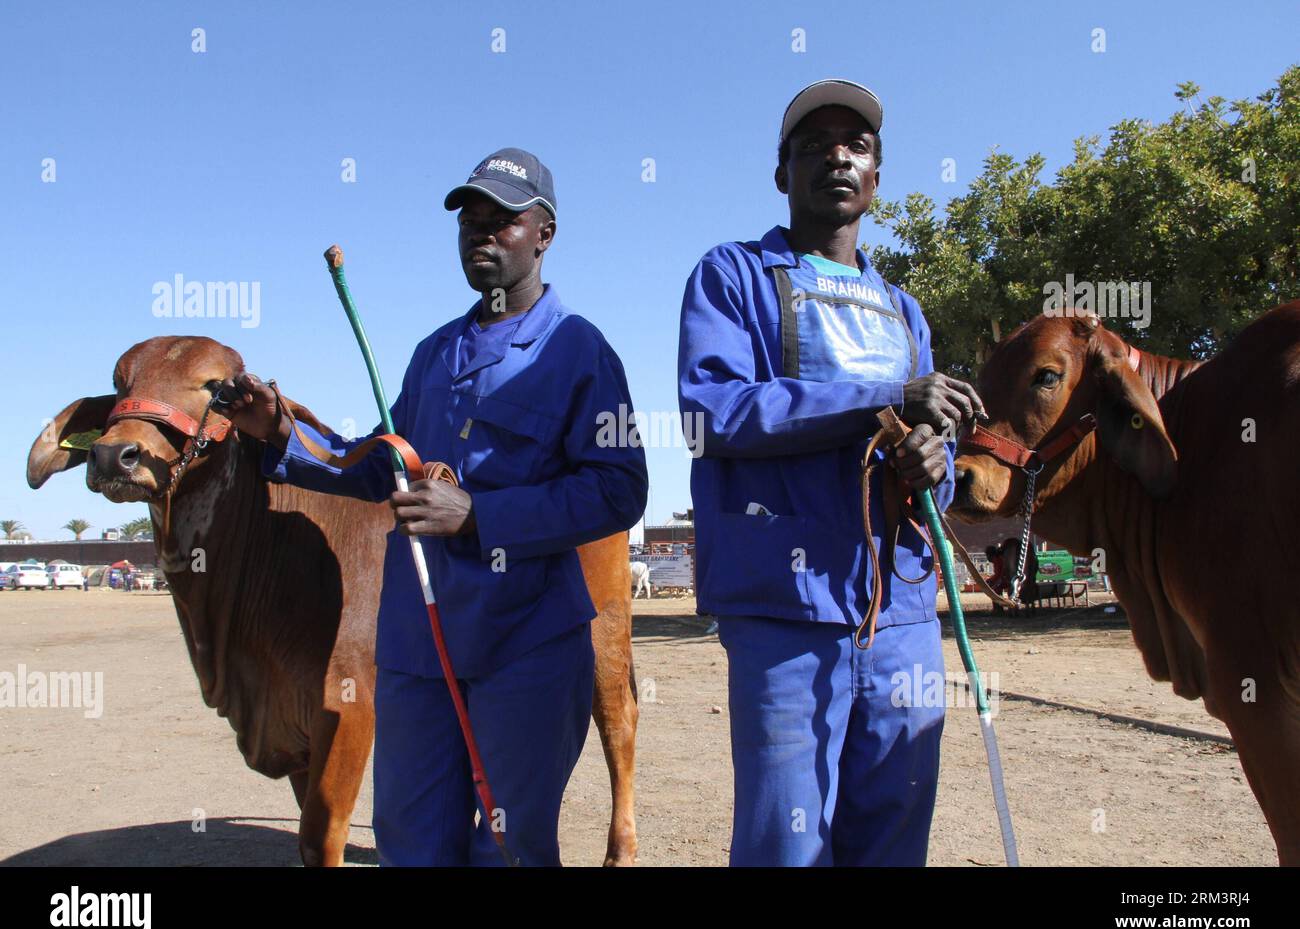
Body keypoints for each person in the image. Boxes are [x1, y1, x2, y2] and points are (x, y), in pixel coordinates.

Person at [226, 148, 648, 866]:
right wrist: (281, 435)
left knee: (505, 850)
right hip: (419, 650)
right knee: (412, 847)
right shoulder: (432, 355)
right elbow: (379, 470)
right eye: (470, 221)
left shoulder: (582, 353)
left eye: (502, 221)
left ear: (544, 233)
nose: (481, 233)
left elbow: (619, 489)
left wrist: (481, 514)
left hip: (527, 649)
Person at [678, 79, 985, 866]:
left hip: (904, 614)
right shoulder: (733, 276)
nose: (837, 158)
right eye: (813, 147)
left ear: (877, 178)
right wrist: (883, 397)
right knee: (787, 843)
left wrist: (933, 462)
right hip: (787, 609)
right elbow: (711, 416)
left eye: (857, 146)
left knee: (892, 836)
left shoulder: (905, 311)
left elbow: (935, 471)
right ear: (782, 174)